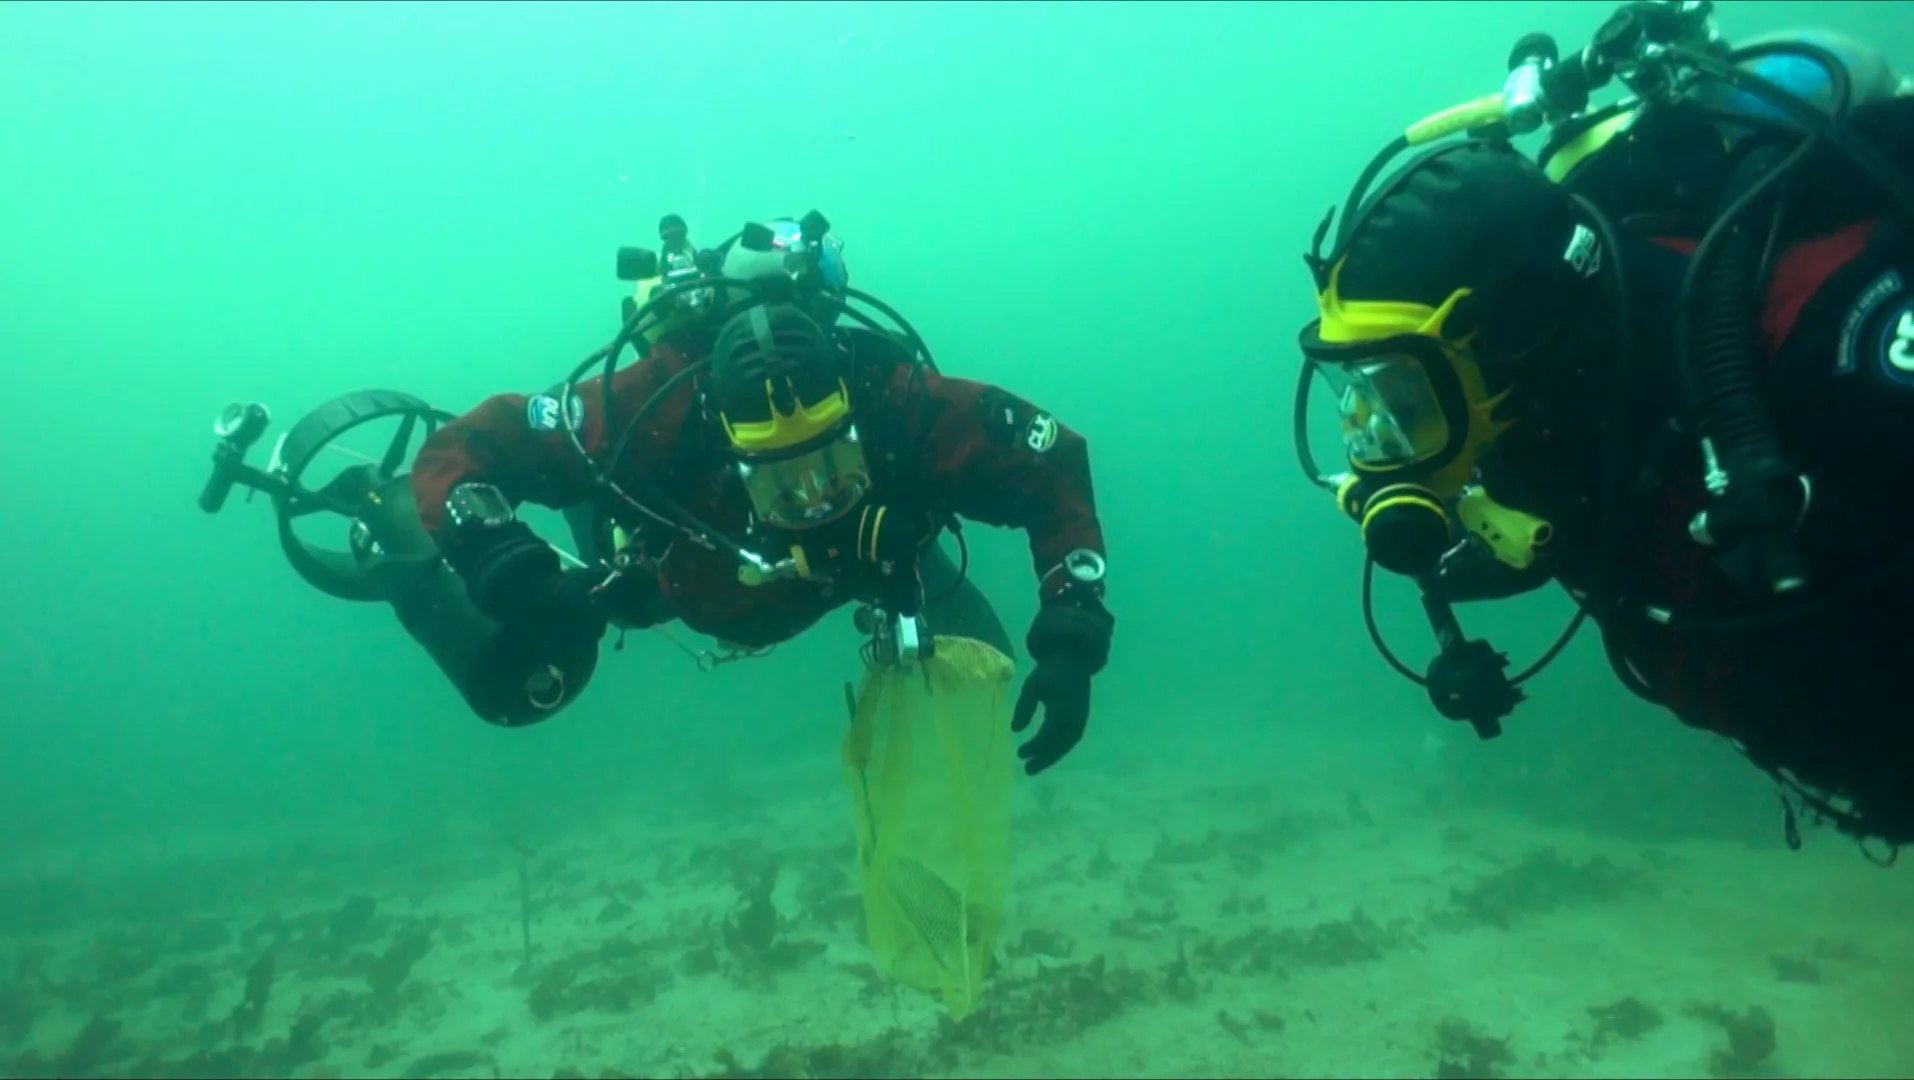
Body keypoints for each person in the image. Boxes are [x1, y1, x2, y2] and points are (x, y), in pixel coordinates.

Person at [1293, 23, 1914, 848]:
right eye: (1355, 394)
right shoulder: (1551, 412)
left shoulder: (1826, 343)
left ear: (1511, 341)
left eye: (1401, 394)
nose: (1374, 439)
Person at [409, 215, 1116, 776]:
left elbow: (1049, 459)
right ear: (729, 436)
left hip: (872, 556)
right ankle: (413, 549)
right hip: (680, 562)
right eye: (783, 478)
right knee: (523, 672)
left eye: (831, 465)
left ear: (852, 417)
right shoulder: (652, 410)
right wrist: (502, 557)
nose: (812, 497)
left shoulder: (899, 405)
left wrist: (1073, 631)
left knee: (949, 617)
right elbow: (467, 446)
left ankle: (880, 548)